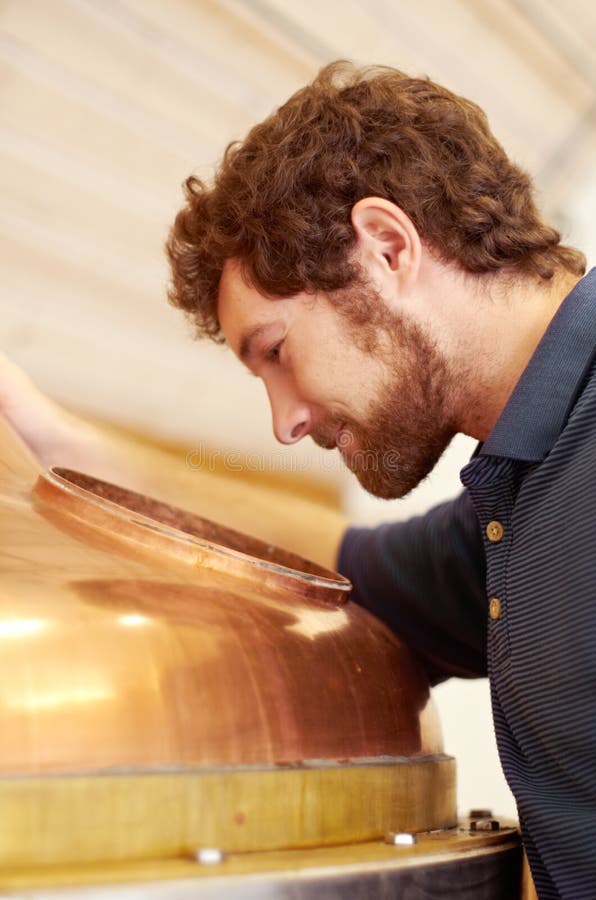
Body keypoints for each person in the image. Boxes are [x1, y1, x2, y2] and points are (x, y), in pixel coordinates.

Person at [2, 62, 594, 897]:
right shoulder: (516, 501)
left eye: (276, 353)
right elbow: (330, 574)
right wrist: (56, 445)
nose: (285, 423)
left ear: (388, 246)